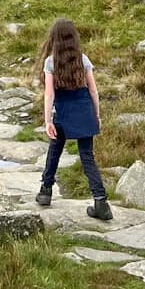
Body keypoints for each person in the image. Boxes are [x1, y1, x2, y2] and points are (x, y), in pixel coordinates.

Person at [35, 16, 112, 221]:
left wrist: (48, 120)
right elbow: (93, 91)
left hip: (62, 111)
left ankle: (45, 190)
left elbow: (49, 94)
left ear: (55, 38)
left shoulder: (51, 62)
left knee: (55, 149)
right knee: (87, 157)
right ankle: (101, 200)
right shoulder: (83, 59)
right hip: (84, 109)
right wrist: (96, 115)